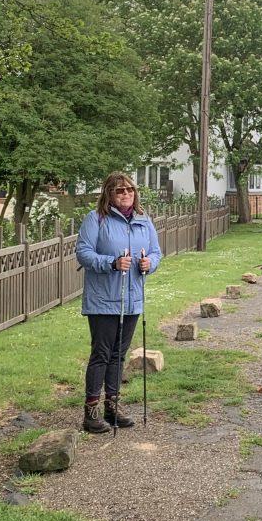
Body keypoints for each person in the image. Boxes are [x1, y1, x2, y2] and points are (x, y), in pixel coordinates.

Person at [75, 172, 162, 434]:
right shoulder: (96, 219)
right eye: (119, 191)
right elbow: (83, 252)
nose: (126, 194)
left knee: (118, 355)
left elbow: (156, 252)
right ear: (109, 194)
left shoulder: (144, 221)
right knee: (101, 354)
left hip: (132, 299)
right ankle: (91, 412)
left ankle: (112, 408)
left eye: (130, 190)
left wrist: (150, 264)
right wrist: (111, 263)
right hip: (104, 300)